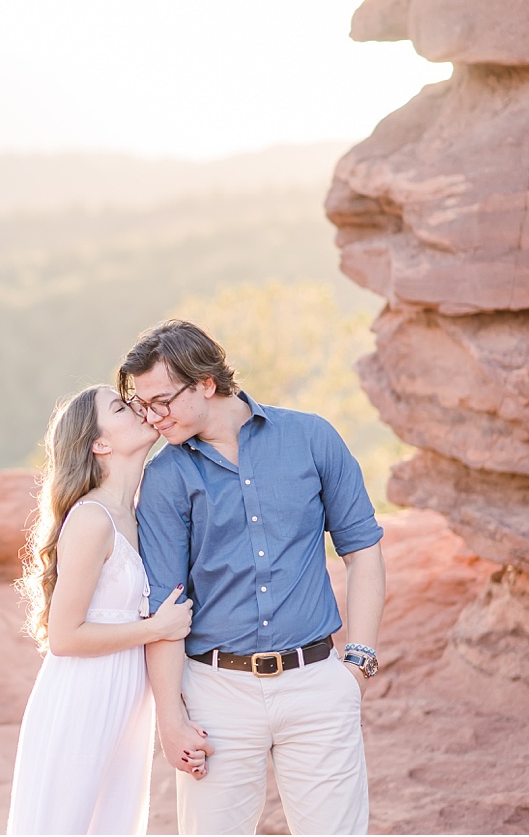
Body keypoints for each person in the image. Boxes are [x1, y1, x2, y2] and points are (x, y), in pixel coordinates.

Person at [119, 320, 386, 836]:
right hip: (216, 693)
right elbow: (166, 611)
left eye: (162, 401)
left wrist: (358, 664)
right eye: (143, 406)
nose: (153, 418)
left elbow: (364, 551)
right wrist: (172, 720)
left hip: (317, 683)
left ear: (206, 383)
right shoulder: (166, 477)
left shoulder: (311, 437)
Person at [6, 384, 196, 835]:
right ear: (100, 443)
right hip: (83, 694)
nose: (137, 409)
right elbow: (64, 637)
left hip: (125, 695)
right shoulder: (93, 518)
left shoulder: (133, 511)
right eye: (120, 407)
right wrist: (156, 629)